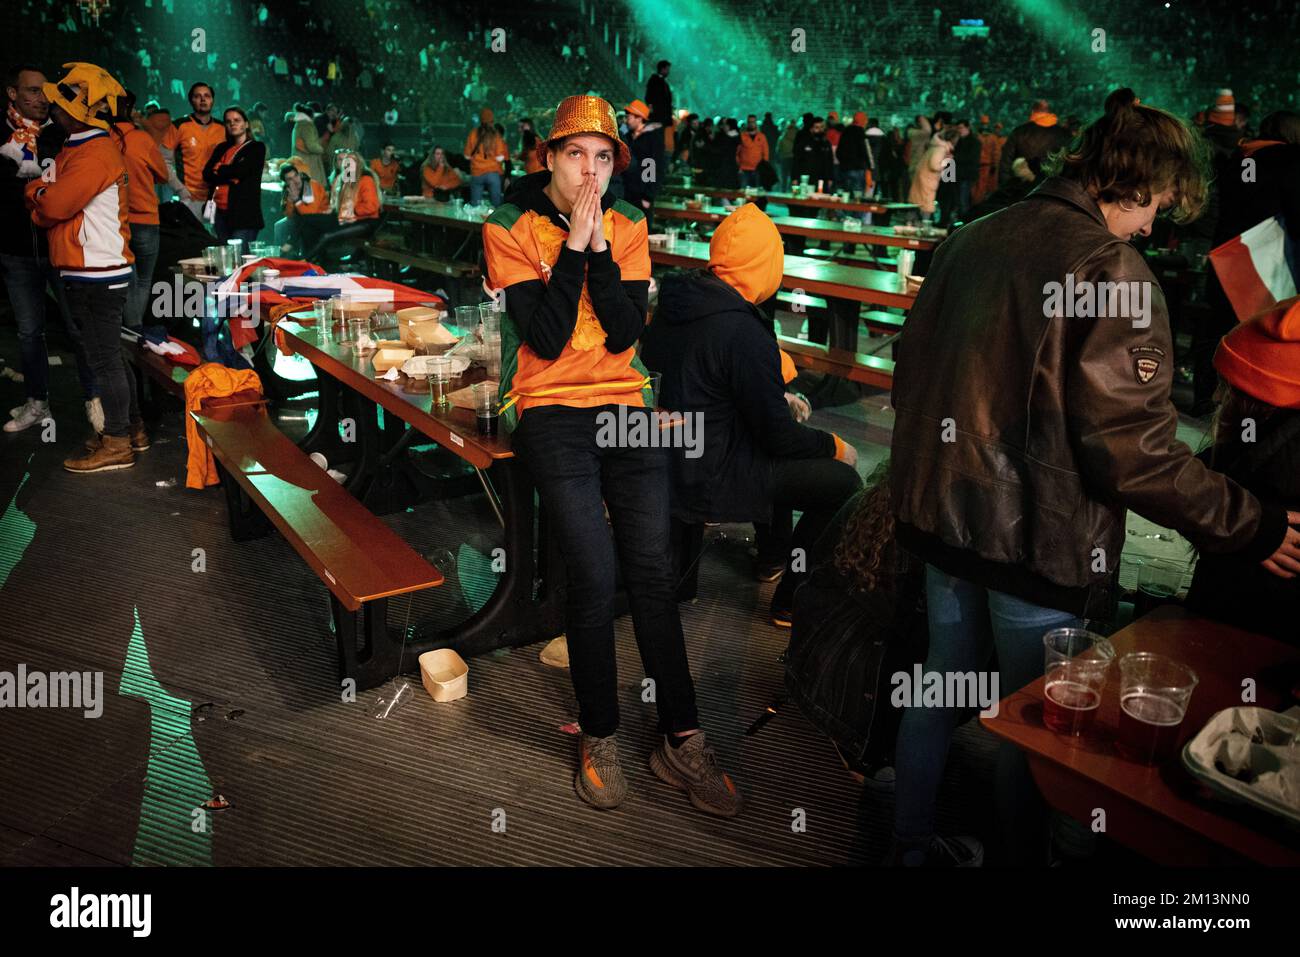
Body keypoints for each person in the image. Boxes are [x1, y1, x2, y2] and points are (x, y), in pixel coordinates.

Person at [887, 88, 1300, 867]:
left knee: (937, 693)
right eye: (1159, 206)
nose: (1154, 226)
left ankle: (908, 843)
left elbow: (914, 373)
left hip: (943, 519)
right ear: (1137, 180)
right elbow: (1134, 452)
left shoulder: (973, 235)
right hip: (1037, 542)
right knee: (1034, 727)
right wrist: (1256, 523)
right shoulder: (1114, 270)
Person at [481, 94, 741, 817]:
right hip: (549, 407)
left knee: (652, 570)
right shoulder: (507, 226)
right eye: (575, 155)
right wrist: (572, 249)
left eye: (602, 157)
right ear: (549, 159)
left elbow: (626, 335)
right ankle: (599, 732)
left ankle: (681, 734)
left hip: (626, 403)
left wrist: (598, 247)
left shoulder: (629, 225)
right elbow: (545, 335)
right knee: (593, 571)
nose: (589, 171)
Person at [640, 203, 862, 626]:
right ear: (765, 267)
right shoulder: (741, 329)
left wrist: (777, 397)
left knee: (778, 428)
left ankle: (773, 553)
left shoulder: (678, 301)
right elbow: (776, 436)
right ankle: (793, 597)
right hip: (710, 470)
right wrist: (835, 445)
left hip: (668, 450)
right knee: (843, 481)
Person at [26, 63, 149, 471]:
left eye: (60, 103)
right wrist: (45, 202)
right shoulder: (79, 146)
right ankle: (131, 430)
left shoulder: (95, 151)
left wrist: (36, 191)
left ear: (79, 112)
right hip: (91, 268)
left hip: (96, 272)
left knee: (103, 359)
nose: (53, 108)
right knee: (109, 354)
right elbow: (50, 211)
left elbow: (54, 207)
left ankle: (117, 443)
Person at [1186, 297, 1300, 643]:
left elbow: (1179, 490)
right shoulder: (1267, 444)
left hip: (1242, 649)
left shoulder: (1279, 465)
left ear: (1260, 400)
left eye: (1229, 388)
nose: (1219, 400)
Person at [1, 63, 98, 436]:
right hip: (15, 250)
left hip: (61, 248)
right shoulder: (1, 134)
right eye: (33, 91)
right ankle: (37, 402)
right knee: (29, 331)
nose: (43, 99)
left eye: (46, 91)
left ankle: (96, 401)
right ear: (13, 94)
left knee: (78, 327)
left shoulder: (62, 133)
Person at [1192, 108, 1298, 413]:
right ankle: (1247, 403)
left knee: (1217, 324)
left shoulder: (1238, 158)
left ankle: (1204, 396)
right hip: (1266, 261)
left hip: (1227, 255)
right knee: (1259, 327)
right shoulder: (1290, 161)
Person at [109, 92, 167, 331]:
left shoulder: (103, 139)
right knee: (142, 280)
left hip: (114, 220)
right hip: (145, 219)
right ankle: (134, 329)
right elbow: (163, 175)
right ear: (131, 111)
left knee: (122, 280)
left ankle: (124, 330)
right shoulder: (142, 140)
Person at [202, 106, 267, 253]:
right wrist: (231, 176)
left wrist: (220, 169)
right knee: (226, 262)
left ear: (246, 124)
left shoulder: (256, 148)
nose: (232, 124)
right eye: (228, 121)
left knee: (240, 261)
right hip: (219, 214)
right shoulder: (221, 148)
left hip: (244, 215)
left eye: (237, 120)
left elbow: (241, 171)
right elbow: (206, 174)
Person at [174, 82, 226, 221]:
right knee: (193, 241)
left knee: (216, 240)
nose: (203, 99)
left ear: (212, 100)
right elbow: (163, 159)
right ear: (191, 100)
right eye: (198, 96)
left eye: (207, 96)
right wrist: (180, 190)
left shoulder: (223, 128)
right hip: (190, 198)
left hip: (217, 199)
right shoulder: (179, 126)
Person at [997, 98, 1070, 184]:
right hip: (1051, 189)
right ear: (1050, 112)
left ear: (1032, 111)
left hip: (1022, 189)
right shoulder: (1063, 134)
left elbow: (1005, 163)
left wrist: (1005, 187)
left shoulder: (1019, 132)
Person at [621, 99, 663, 231]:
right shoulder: (628, 136)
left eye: (629, 117)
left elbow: (651, 165)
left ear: (639, 118)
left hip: (641, 195)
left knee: (641, 231)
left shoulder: (651, 138)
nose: (626, 120)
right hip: (627, 192)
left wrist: (647, 196)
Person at [275, 162, 329, 255]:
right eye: (290, 179)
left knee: (301, 221)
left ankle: (290, 247)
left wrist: (296, 200)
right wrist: (290, 201)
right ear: (286, 182)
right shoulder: (287, 189)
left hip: (320, 217)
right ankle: (282, 255)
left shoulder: (309, 185)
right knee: (280, 225)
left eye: (296, 176)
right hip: (300, 218)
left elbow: (310, 213)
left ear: (299, 174)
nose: (295, 180)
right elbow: (288, 214)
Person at [908, 127, 956, 221]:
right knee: (926, 204)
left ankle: (910, 223)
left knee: (917, 202)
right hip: (928, 180)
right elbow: (934, 165)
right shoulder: (941, 149)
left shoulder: (936, 146)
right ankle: (923, 225)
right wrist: (947, 161)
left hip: (924, 177)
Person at [463, 107, 509, 206]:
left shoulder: (473, 133)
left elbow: (467, 156)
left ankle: (475, 221)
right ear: (492, 120)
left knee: (475, 205)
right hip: (493, 173)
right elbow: (500, 157)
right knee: (496, 204)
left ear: (481, 120)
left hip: (476, 173)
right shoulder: (496, 135)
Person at [287, 102, 328, 186]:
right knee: (312, 188)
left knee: (303, 187)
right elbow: (311, 145)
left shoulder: (299, 124)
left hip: (301, 161)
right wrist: (321, 149)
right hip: (309, 163)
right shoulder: (307, 125)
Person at [736, 114, 769, 190]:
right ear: (747, 123)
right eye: (749, 122)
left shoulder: (762, 137)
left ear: (756, 123)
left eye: (753, 122)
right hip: (744, 170)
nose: (751, 124)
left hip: (757, 170)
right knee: (743, 192)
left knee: (756, 194)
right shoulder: (742, 136)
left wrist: (764, 168)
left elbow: (766, 153)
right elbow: (736, 152)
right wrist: (739, 167)